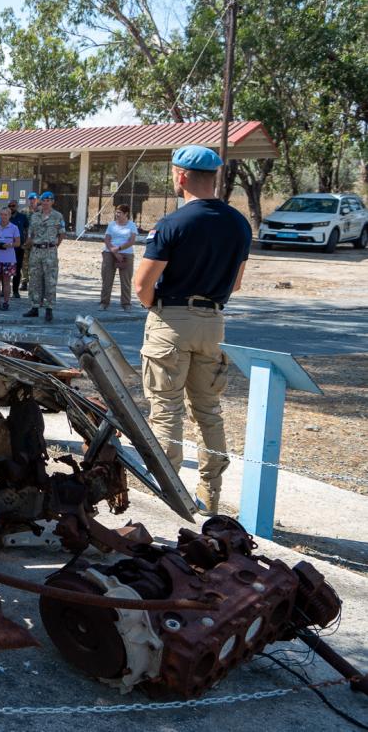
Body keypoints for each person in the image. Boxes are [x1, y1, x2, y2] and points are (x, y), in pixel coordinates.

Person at [134, 145, 251, 515]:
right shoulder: (239, 223)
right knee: (208, 410)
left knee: (166, 409)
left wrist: (158, 308)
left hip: (171, 318)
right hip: (213, 322)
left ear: (181, 176)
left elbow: (141, 285)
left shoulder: (173, 224)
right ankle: (210, 495)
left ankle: (167, 495)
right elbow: (235, 284)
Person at [22, 191, 66, 322]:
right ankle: (34, 307)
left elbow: (62, 234)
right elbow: (31, 234)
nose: (46, 202)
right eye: (44, 200)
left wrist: (54, 246)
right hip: (36, 251)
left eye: (49, 200)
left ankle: (49, 309)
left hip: (50, 251)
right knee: (34, 279)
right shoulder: (35, 216)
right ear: (40, 201)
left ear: (52, 201)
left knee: (50, 281)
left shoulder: (58, 216)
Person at [102, 203, 138, 311]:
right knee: (107, 278)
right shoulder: (111, 224)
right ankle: (104, 302)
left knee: (126, 280)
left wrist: (119, 249)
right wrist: (114, 251)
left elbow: (131, 241)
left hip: (126, 253)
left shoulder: (131, 225)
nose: (117, 214)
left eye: (119, 212)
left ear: (126, 214)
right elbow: (107, 239)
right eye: (116, 212)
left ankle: (126, 304)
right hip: (110, 252)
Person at [0, 204, 21, 311]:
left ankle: (6, 303)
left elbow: (18, 243)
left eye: (5, 215)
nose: (3, 217)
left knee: (6, 282)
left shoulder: (14, 228)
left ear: (9, 216)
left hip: (9, 259)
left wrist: (9, 245)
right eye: (1, 214)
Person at [8, 197, 30, 298]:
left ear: (17, 206)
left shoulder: (22, 217)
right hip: (7, 248)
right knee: (6, 270)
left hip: (19, 248)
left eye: (13, 206)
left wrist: (26, 242)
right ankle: (5, 290)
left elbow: (27, 229)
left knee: (17, 270)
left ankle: (15, 291)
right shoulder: (5, 216)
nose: (11, 208)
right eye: (9, 206)